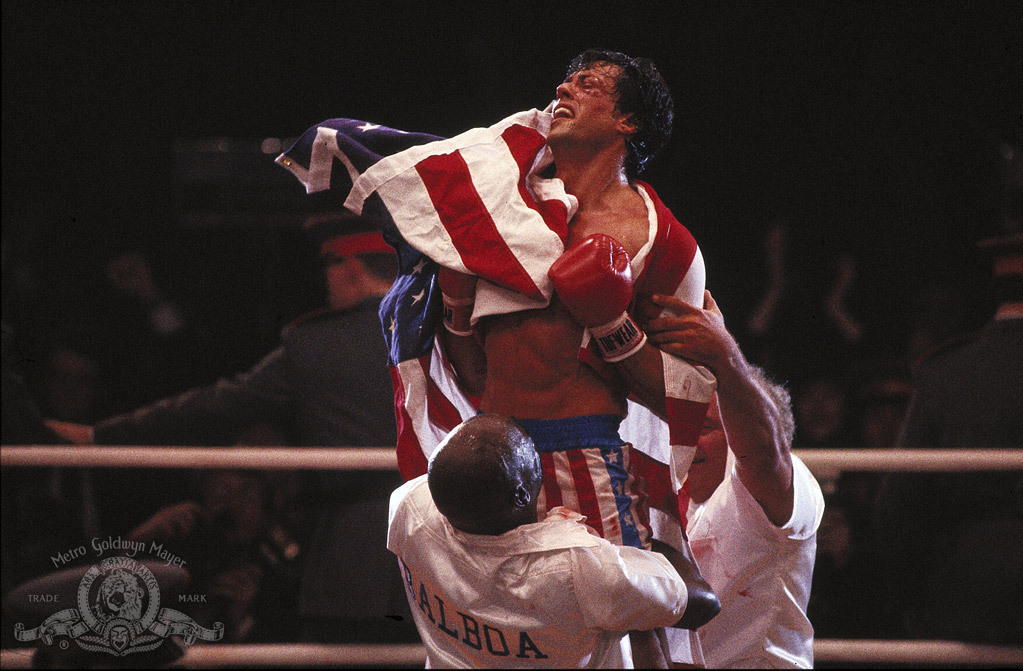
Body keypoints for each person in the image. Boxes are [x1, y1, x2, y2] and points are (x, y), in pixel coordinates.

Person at [436, 48, 717, 665]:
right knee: (483, 629)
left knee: (635, 627)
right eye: (565, 78)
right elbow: (475, 371)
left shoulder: (663, 242)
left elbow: (680, 394)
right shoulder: (506, 211)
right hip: (488, 447)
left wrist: (611, 324)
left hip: (581, 451)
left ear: (628, 122)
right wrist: (455, 307)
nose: (564, 87)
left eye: (588, 84)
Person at [44, 214, 419, 644]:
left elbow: (215, 407)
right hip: (449, 558)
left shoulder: (316, 342)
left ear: (348, 266)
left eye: (327, 269)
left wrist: (99, 436)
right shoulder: (447, 331)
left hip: (354, 566)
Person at [388, 413, 720, 668]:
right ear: (520, 493)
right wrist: (640, 540)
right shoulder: (575, 565)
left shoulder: (409, 506)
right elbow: (703, 604)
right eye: (529, 447)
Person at [644, 290, 825, 668]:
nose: (685, 439)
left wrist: (725, 360)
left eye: (705, 426)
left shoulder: (787, 483)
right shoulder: (662, 489)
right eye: (681, 426)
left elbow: (765, 457)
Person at [874, 232, 1023, 645]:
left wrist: (908, 603)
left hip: (974, 597)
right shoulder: (944, 370)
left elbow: (897, 505)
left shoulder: (946, 372)